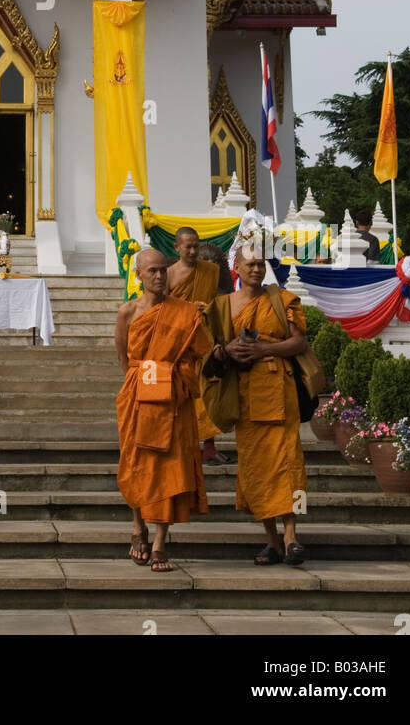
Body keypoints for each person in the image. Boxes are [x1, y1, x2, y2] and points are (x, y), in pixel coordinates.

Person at [203, 233, 309, 566]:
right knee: (256, 470)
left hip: (281, 391)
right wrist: (226, 350)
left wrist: (264, 349)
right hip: (246, 397)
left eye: (261, 264)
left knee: (291, 465)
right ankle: (272, 541)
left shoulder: (282, 299)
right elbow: (210, 350)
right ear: (236, 267)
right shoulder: (221, 307)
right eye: (250, 264)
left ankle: (292, 537)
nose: (256, 270)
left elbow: (299, 344)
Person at [115, 248, 212, 572]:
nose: (158, 276)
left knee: (169, 467)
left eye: (162, 270)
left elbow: (204, 352)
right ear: (139, 275)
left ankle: (159, 543)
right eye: (152, 271)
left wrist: (174, 373)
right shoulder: (127, 312)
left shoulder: (184, 312)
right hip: (138, 397)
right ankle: (136, 526)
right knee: (137, 464)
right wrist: (144, 381)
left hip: (173, 397)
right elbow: (125, 361)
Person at [167, 227, 226, 465]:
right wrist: (188, 309)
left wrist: (207, 310)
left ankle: (209, 446)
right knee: (182, 393)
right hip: (179, 341)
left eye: (196, 246)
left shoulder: (211, 271)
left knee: (207, 393)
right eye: (187, 246)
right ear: (177, 247)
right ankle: (184, 445)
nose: (192, 251)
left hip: (205, 337)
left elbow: (221, 301)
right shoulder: (169, 274)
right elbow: (162, 309)